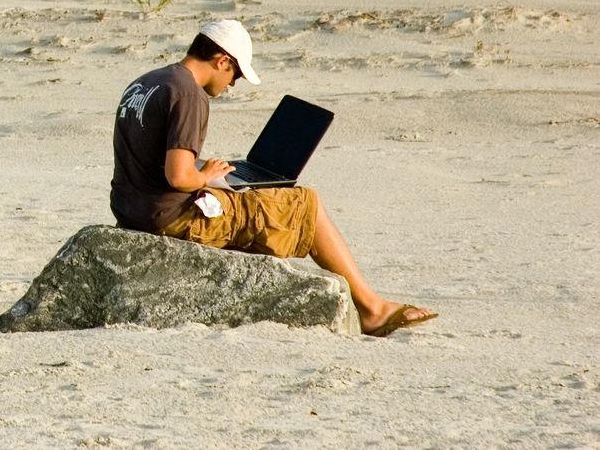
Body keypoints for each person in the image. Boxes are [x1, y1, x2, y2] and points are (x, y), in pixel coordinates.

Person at [110, 18, 436, 338]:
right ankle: (372, 310)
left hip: (132, 208)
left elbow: (148, 156)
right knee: (305, 203)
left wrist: (209, 172)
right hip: (169, 217)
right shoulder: (190, 95)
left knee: (254, 196)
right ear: (222, 60)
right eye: (235, 74)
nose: (233, 83)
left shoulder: (149, 82)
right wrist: (207, 175)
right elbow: (179, 176)